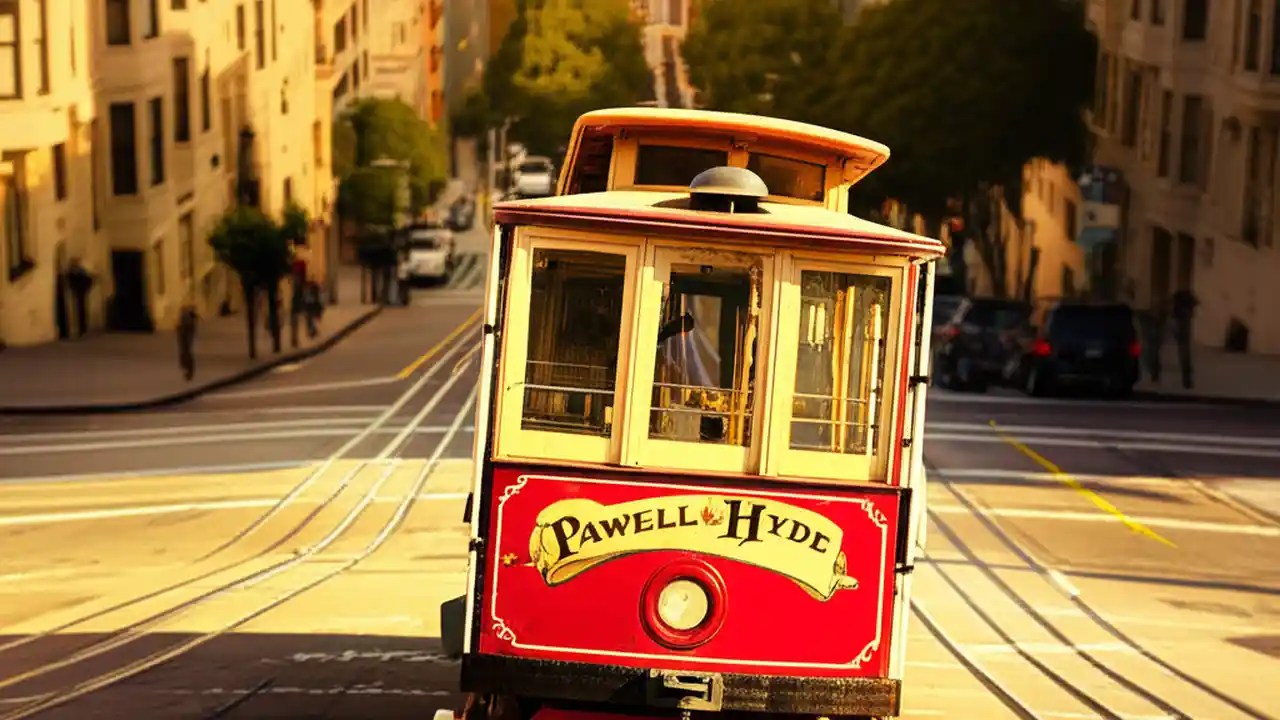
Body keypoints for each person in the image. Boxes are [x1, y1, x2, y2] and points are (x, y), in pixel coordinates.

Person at [1171, 288, 1198, 389]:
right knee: (1185, 352)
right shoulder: (1185, 308)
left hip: (1181, 326)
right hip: (1184, 327)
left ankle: (1186, 379)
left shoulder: (1177, 307)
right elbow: (1196, 303)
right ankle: (1187, 379)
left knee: (1183, 352)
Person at [66, 259, 94, 338]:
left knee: (80, 310)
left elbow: (89, 280)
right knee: (79, 310)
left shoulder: (81, 272)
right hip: (77, 292)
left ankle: (82, 328)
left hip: (79, 292)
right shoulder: (74, 272)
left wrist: (85, 289)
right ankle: (80, 328)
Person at [1142, 300, 1166, 384]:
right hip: (1151, 312)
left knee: (1151, 345)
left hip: (1148, 312)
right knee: (1152, 346)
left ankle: (1153, 372)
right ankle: (1153, 372)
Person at [177, 302, 198, 381]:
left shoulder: (186, 316)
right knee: (186, 348)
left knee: (185, 348)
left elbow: (186, 327)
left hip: (185, 334)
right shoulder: (189, 316)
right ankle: (185, 361)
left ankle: (185, 361)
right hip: (186, 334)